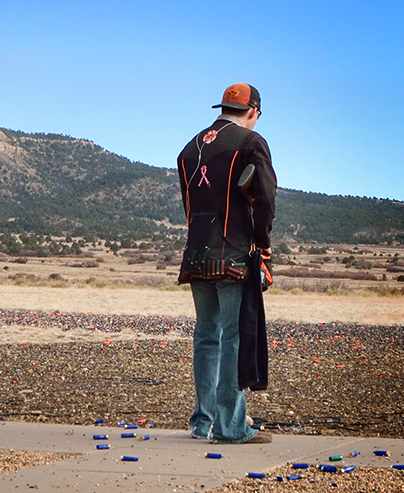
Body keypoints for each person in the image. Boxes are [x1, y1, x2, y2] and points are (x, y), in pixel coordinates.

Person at [176, 83, 277, 444]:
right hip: (234, 254)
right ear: (253, 112)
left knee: (206, 337)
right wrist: (263, 247)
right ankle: (231, 427)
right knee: (233, 338)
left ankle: (202, 422)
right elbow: (264, 198)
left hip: (196, 253)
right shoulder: (251, 143)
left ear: (223, 107)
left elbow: (190, 204)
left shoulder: (190, 147)